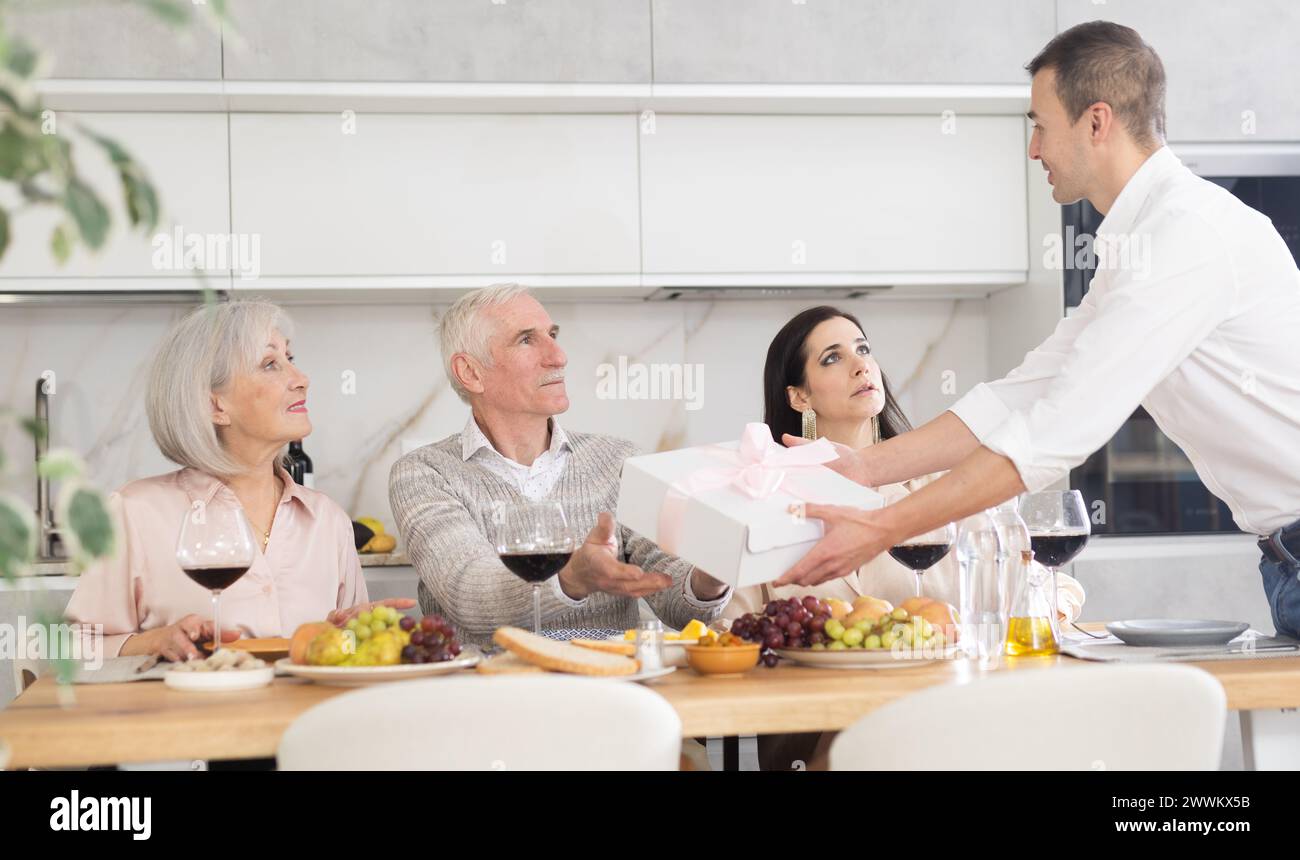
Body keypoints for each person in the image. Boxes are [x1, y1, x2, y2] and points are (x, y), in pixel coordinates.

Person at [777, 22, 1300, 644]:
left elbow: (1054, 431)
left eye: (1040, 124)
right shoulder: (1137, 248)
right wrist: (865, 468)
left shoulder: (1184, 239)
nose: (1033, 149)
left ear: (1096, 122)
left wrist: (885, 526)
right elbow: (1021, 394)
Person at [730, 305, 1084, 772]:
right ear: (798, 397)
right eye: (832, 358)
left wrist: (1037, 614)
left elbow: (1054, 587)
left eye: (863, 349)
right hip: (816, 736)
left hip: (949, 726)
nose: (861, 365)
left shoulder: (941, 488)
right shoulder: (767, 500)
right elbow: (730, 631)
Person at [65, 300, 411, 662]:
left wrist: (352, 632)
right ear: (215, 406)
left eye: (291, 359)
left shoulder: (327, 521)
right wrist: (154, 641)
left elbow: (353, 660)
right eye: (270, 364)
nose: (301, 379)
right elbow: (71, 650)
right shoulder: (135, 514)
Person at [389, 283, 731, 647]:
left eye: (552, 335)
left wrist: (712, 574)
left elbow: (681, 604)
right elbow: (469, 594)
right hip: (486, 691)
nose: (559, 355)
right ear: (471, 372)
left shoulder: (621, 461)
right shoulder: (425, 473)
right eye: (526, 339)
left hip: (606, 686)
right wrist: (572, 579)